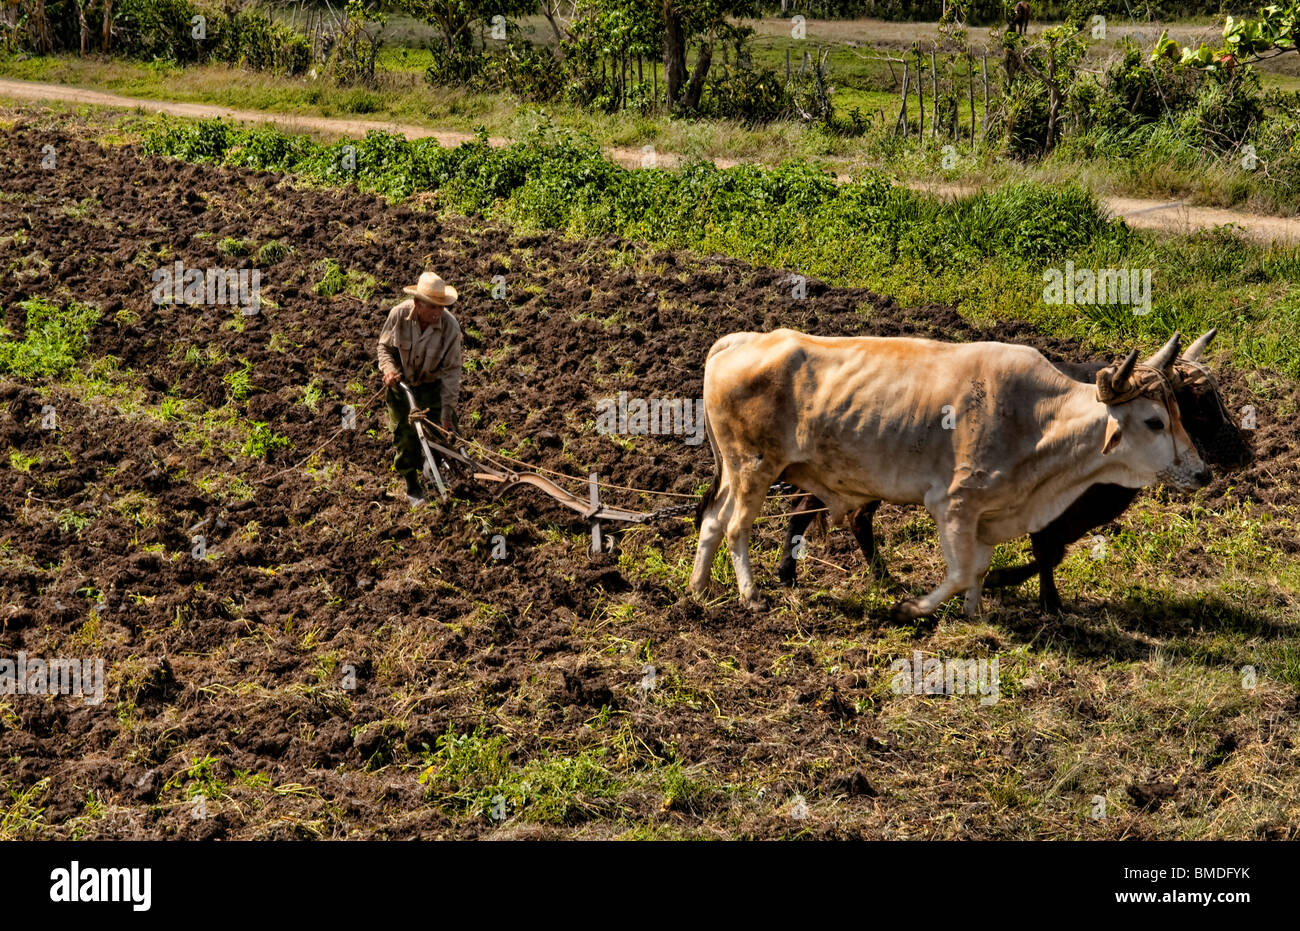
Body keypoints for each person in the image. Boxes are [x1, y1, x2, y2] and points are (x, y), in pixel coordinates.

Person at [377, 271, 463, 506]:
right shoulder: (399, 315)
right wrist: (389, 370)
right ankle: (412, 484)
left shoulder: (450, 327)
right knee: (405, 438)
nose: (438, 312)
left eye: (441, 307)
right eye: (433, 307)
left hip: (432, 386)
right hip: (402, 386)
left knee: (446, 432)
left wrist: (446, 412)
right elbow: (384, 348)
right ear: (417, 303)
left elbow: (452, 372)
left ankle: (435, 468)